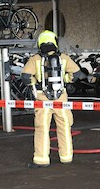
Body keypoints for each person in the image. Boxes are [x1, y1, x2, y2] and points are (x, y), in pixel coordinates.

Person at [23, 30, 81, 168]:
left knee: (42, 129)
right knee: (64, 128)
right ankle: (66, 157)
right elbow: (77, 73)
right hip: (61, 100)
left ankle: (41, 159)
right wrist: (65, 79)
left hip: (43, 100)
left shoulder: (35, 59)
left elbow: (25, 77)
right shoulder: (64, 58)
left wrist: (35, 83)